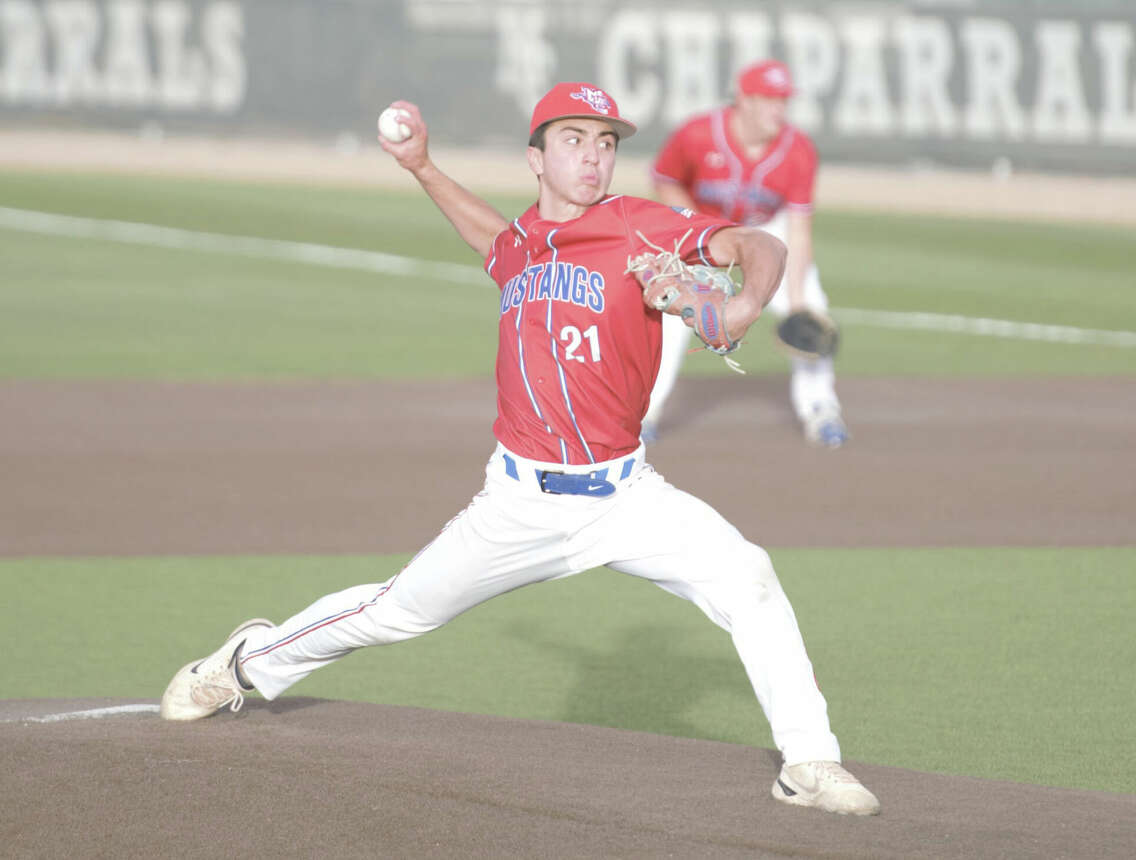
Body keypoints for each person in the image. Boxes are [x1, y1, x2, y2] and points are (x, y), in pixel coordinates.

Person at [159, 82, 880, 816]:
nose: (594, 157)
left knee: (748, 577)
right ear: (536, 158)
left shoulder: (641, 226)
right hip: (517, 503)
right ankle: (244, 663)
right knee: (396, 612)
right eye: (574, 140)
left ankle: (809, 762)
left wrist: (742, 303)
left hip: (626, 497)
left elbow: (761, 243)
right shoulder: (521, 245)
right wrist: (423, 166)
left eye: (606, 143)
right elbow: (493, 240)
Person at [643, 59, 848, 448]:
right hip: (704, 229)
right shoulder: (698, 134)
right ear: (744, 99)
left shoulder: (798, 150)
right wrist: (697, 230)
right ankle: (644, 412)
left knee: (811, 311)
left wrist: (799, 301)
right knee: (670, 314)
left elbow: (798, 230)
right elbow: (665, 181)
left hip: (764, 234)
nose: (779, 109)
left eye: (783, 100)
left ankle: (820, 408)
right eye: (769, 99)